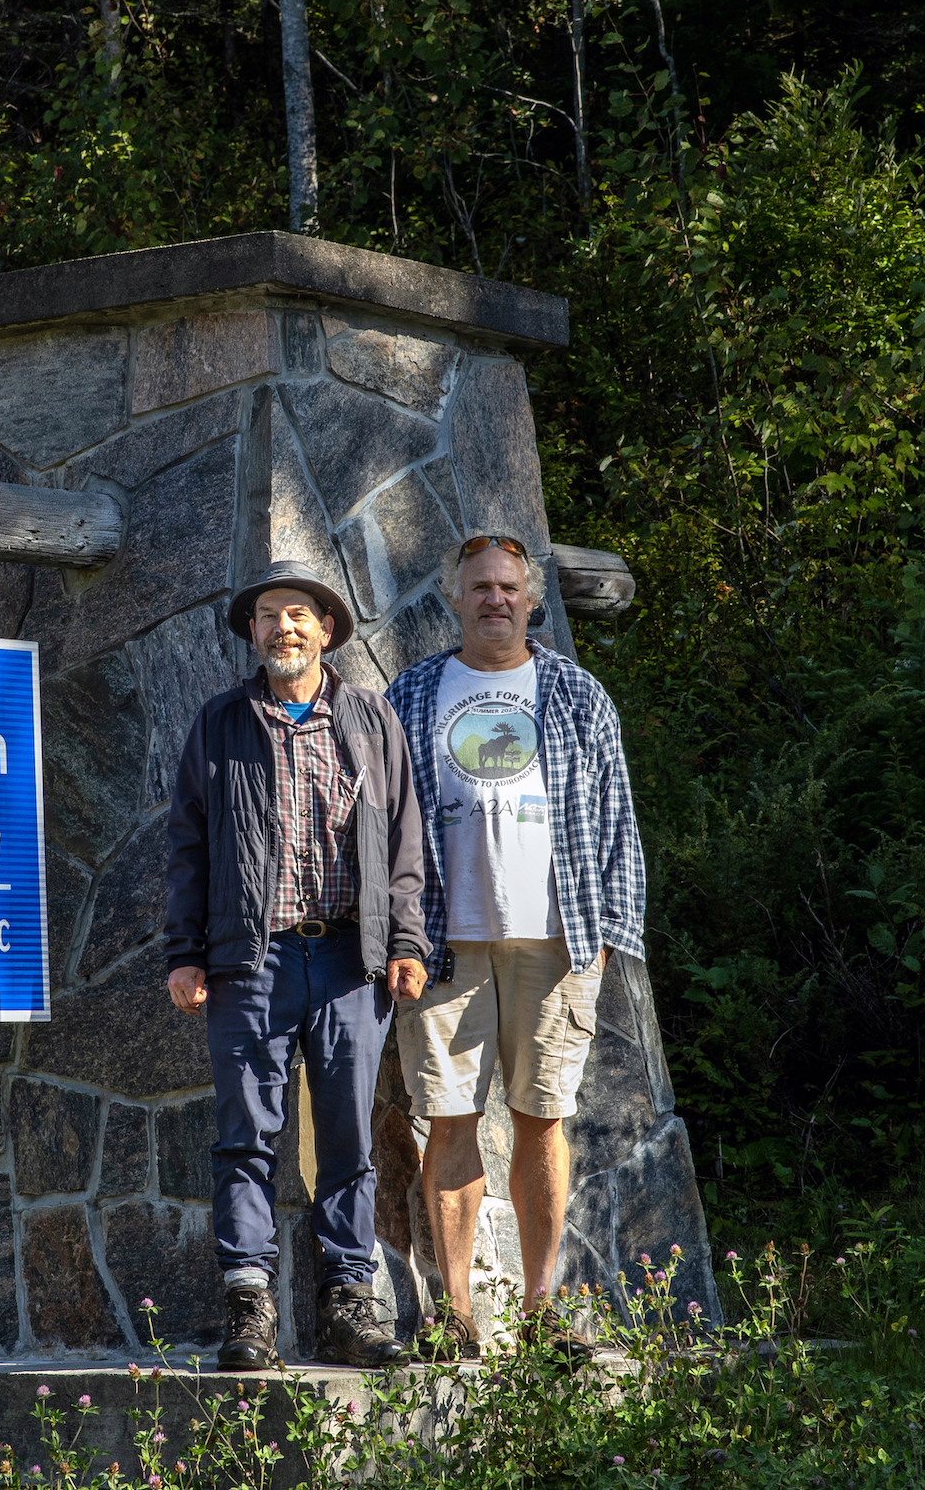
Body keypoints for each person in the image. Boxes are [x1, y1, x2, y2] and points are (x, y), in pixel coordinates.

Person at [384, 534, 646, 1362]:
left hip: (555, 936)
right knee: (450, 1121)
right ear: (453, 597)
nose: (494, 598)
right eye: (479, 587)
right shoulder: (413, 692)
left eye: (508, 587)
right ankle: (454, 1312)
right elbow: (384, 822)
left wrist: (606, 938)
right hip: (442, 942)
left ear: (532, 601)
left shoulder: (576, 693)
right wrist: (394, 932)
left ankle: (539, 1310)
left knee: (543, 1121)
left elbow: (616, 824)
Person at [164, 561, 430, 1371]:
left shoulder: (372, 720)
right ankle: (249, 1312)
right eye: (270, 615)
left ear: (327, 630)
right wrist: (184, 952)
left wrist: (408, 941)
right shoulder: (219, 723)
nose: (285, 627)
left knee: (349, 1143)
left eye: (300, 614)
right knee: (245, 1140)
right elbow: (187, 846)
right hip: (249, 961)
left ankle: (349, 1304)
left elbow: (405, 842)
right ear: (253, 633)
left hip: (352, 957)